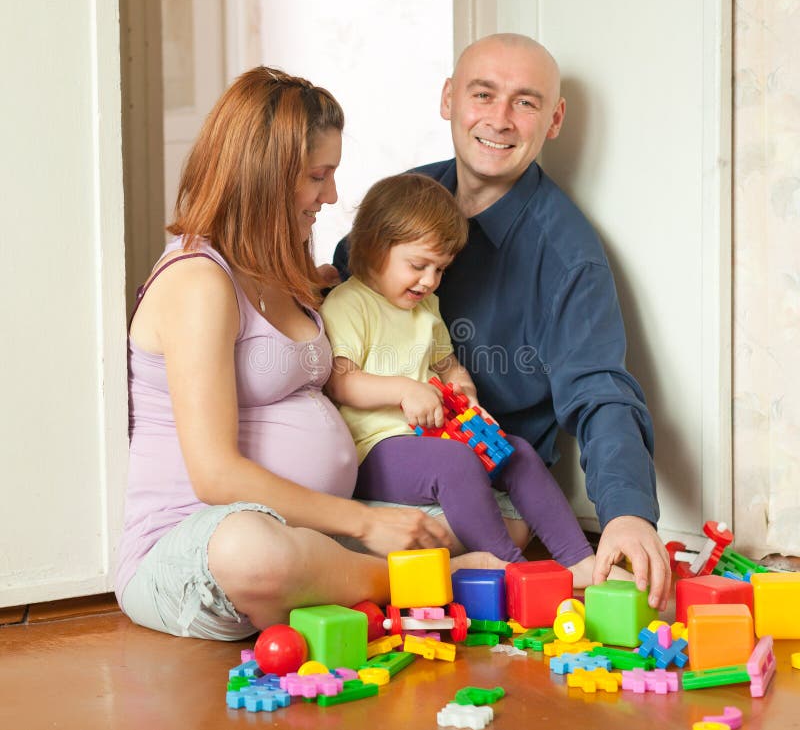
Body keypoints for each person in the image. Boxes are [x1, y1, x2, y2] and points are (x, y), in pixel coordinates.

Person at [115, 67, 502, 641]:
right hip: (196, 541)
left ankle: (349, 579)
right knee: (253, 550)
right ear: (263, 178)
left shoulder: (284, 273)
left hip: (314, 530)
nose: (332, 195)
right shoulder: (197, 282)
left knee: (501, 524)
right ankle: (409, 582)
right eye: (318, 176)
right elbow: (216, 476)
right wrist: (367, 521)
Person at [333, 34, 671, 610]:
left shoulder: (567, 255)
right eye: (483, 94)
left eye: (526, 102)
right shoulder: (408, 198)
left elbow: (600, 391)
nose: (500, 119)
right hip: (378, 456)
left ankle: (545, 574)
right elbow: (341, 296)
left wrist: (628, 513)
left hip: (486, 484)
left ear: (555, 118)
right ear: (448, 99)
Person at [321, 172, 631, 588]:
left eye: (440, 270)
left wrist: (465, 395)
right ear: (376, 246)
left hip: (433, 435)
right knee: (456, 464)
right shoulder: (350, 303)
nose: (429, 280)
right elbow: (340, 383)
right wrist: (404, 390)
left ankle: (579, 561)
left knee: (516, 452)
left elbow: (447, 365)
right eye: (418, 265)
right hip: (374, 448)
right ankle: (511, 568)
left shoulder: (424, 306)